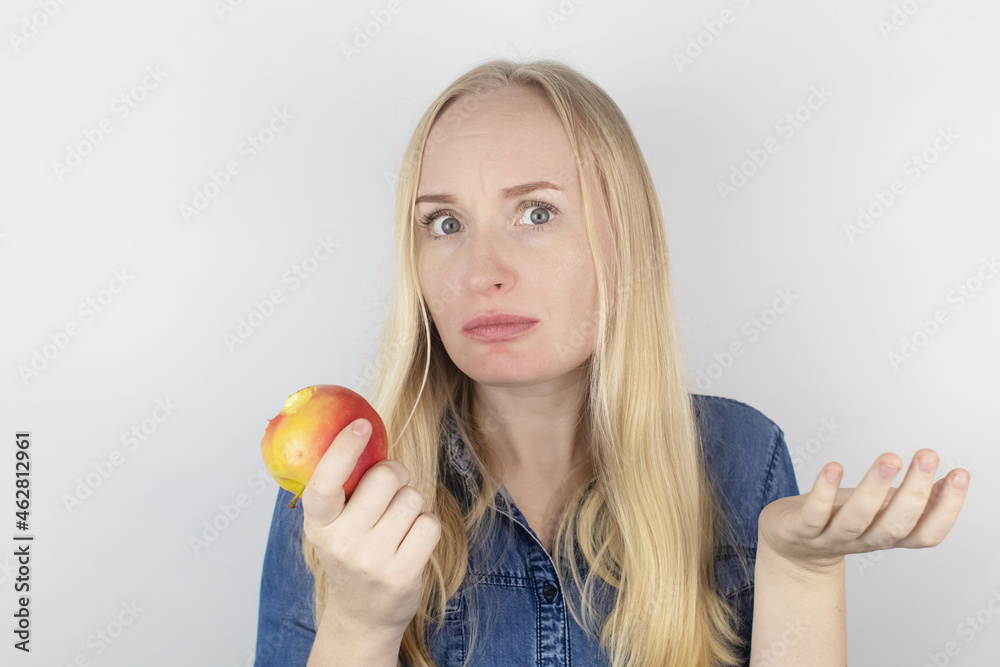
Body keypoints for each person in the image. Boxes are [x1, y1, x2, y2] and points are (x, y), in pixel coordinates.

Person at [253, 59, 970, 667]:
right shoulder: (340, 496)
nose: (481, 271)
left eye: (536, 213)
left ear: (625, 237)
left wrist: (803, 573)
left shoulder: (743, 459)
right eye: (445, 222)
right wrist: (360, 624)